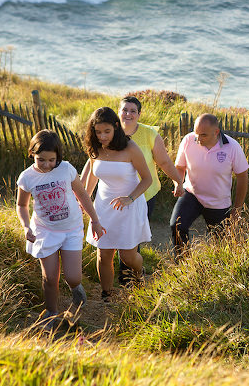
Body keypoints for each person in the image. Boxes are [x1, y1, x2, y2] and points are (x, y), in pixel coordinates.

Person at [16, 129, 104, 329]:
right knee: (50, 278)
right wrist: (25, 226)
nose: (47, 165)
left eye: (51, 160)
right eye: (41, 160)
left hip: (71, 229)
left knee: (73, 276)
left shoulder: (66, 169)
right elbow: (21, 205)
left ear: (59, 157)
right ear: (32, 154)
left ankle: (77, 290)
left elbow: (82, 194)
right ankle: (51, 312)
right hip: (45, 231)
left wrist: (95, 220)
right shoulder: (27, 177)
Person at [82, 107, 152, 301]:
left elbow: (147, 179)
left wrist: (129, 198)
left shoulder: (130, 148)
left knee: (128, 257)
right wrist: (85, 200)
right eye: (97, 132)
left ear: (115, 127)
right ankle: (107, 295)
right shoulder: (95, 148)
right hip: (104, 206)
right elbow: (91, 178)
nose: (102, 136)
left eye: (106, 131)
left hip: (129, 204)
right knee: (104, 254)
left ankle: (140, 273)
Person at [170, 113, 249, 259]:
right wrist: (178, 184)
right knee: (177, 226)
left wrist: (237, 210)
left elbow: (243, 177)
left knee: (223, 244)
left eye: (203, 135)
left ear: (216, 132)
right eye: (196, 133)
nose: (198, 139)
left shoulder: (232, 147)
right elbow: (179, 167)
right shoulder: (188, 140)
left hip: (218, 202)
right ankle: (184, 265)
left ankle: (219, 272)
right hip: (191, 194)